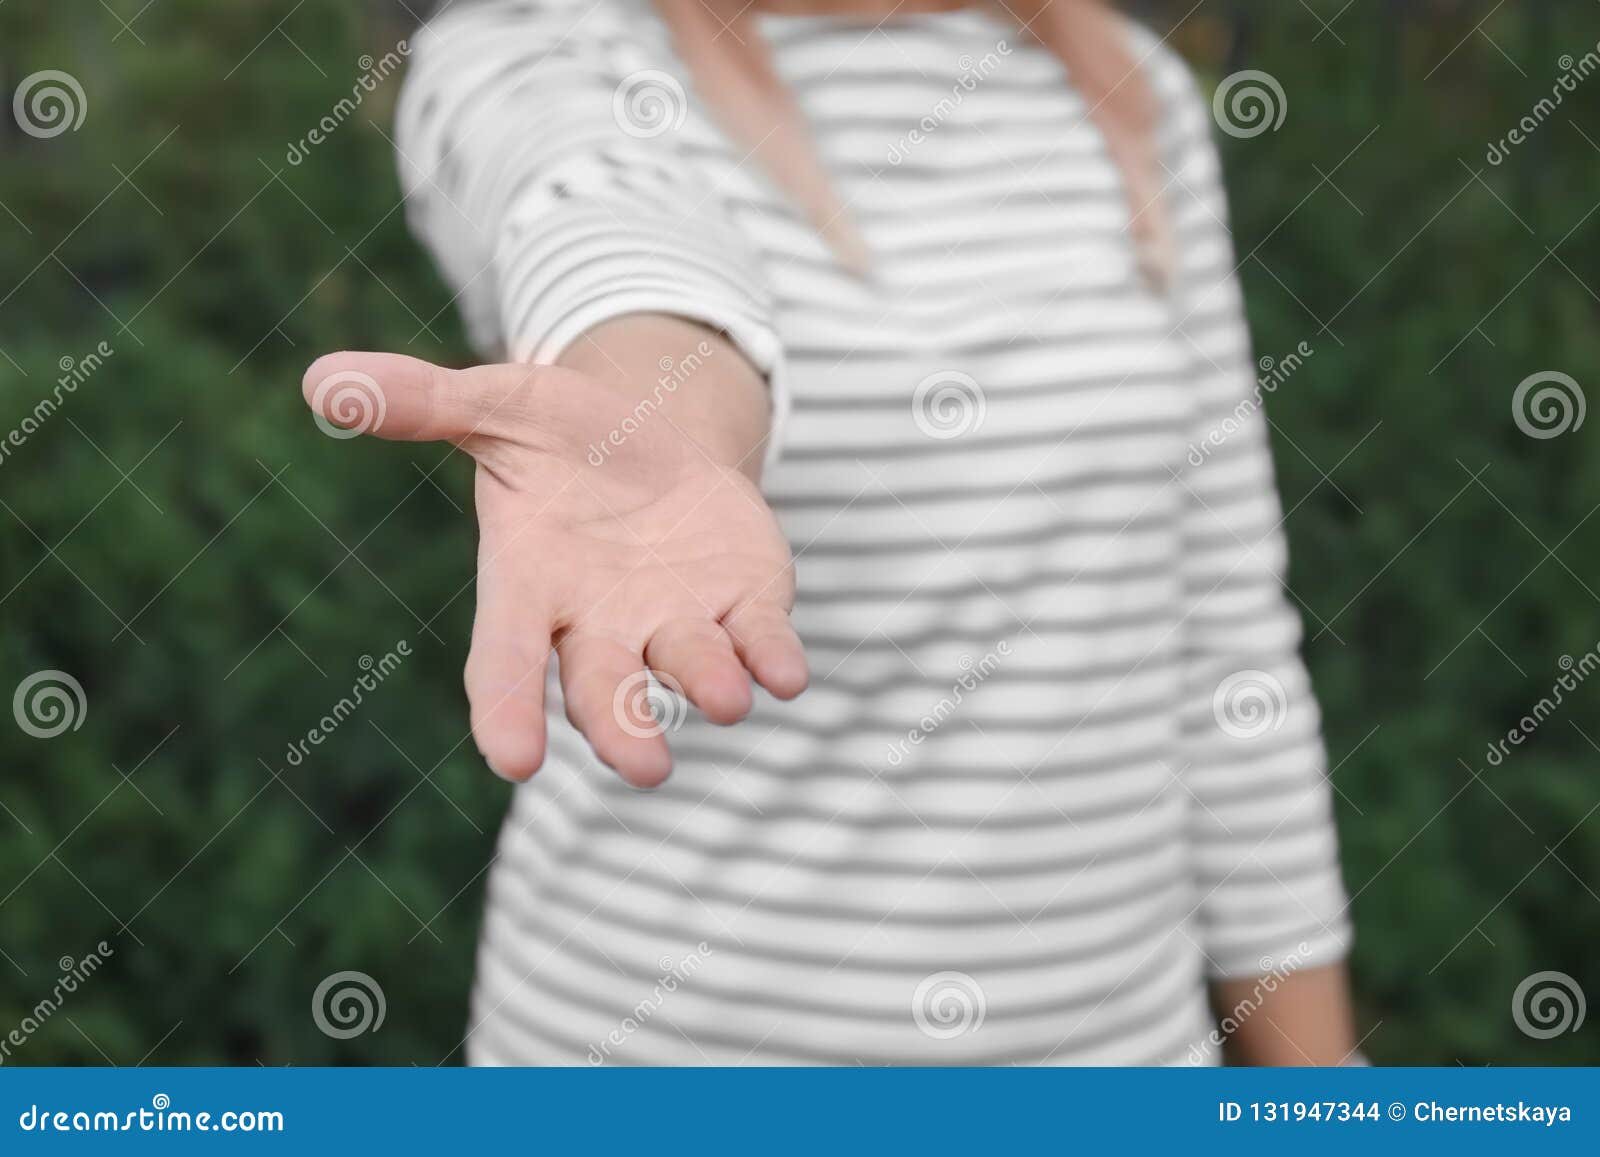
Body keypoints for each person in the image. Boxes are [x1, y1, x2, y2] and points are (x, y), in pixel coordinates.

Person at [302, 0, 1358, 1064]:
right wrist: (657, 416)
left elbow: (1226, 651)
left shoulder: (1125, 89)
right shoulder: (538, 48)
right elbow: (601, 219)